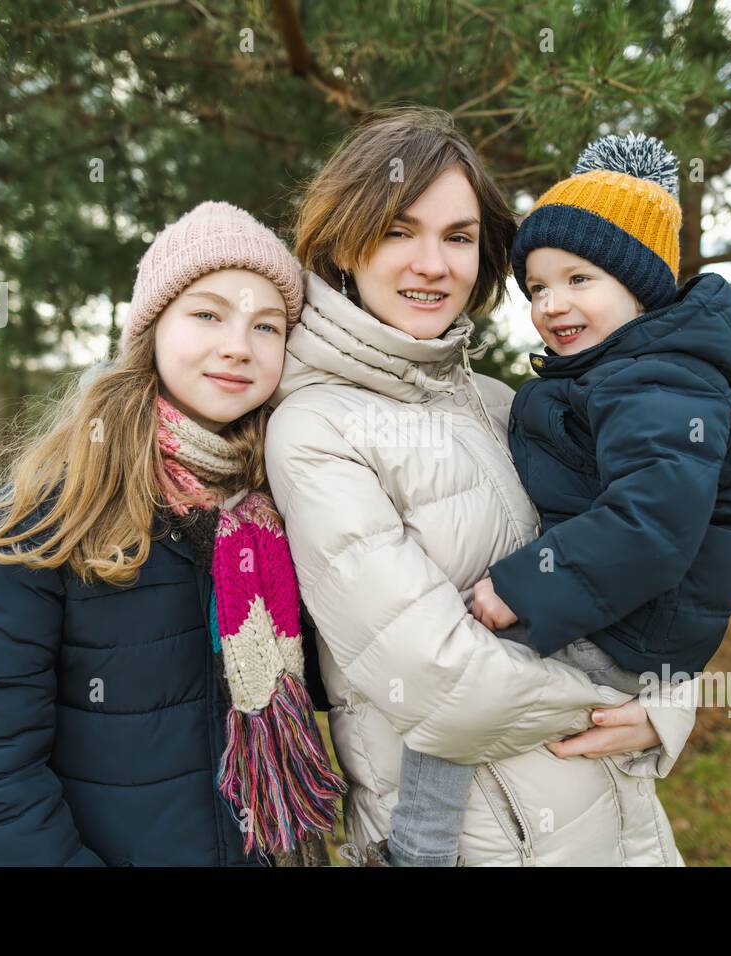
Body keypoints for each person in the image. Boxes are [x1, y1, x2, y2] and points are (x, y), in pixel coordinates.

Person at [264, 107, 699, 867]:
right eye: (398, 231)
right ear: (342, 242)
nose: (432, 264)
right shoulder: (315, 427)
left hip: (619, 827)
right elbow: (439, 682)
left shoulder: (507, 403)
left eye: (458, 236)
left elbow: (636, 563)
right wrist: (634, 705)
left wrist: (670, 699)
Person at [389, 131, 731, 866]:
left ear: (642, 286)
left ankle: (418, 846)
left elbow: (650, 523)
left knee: (457, 695)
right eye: (537, 287)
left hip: (632, 626)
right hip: (630, 616)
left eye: (579, 280)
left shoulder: (662, 381)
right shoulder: (620, 374)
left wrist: (522, 582)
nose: (550, 304)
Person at [0, 201, 343, 867]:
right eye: (208, 313)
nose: (238, 345)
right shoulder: (54, 514)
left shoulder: (288, 500)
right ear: (151, 329)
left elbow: (332, 682)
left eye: (266, 326)